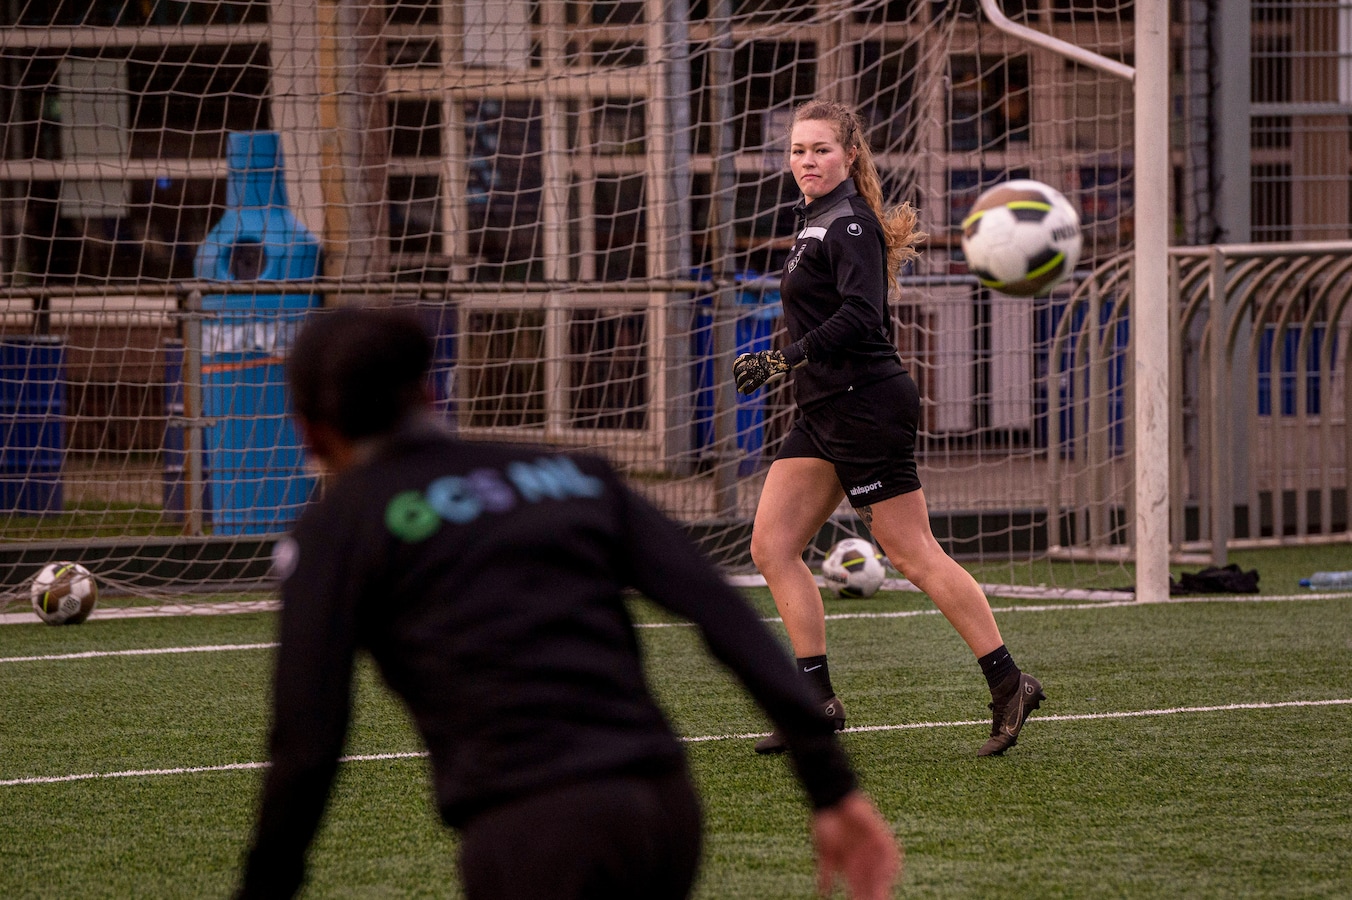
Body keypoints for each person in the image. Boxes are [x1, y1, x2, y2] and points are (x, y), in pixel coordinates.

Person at [235, 307, 901, 900]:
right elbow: (723, 614)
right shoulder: (573, 476)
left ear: (311, 433)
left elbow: (307, 741)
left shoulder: (335, 530)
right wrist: (832, 787)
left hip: (531, 832)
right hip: (664, 812)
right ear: (431, 393)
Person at [732, 99, 1045, 758]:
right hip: (825, 410)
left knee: (911, 552)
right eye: (797, 150)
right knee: (772, 546)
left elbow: (863, 316)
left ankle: (1009, 682)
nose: (807, 161)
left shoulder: (849, 225)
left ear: (848, 155)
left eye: (820, 149)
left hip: (866, 406)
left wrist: (781, 357)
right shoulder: (813, 220)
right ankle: (814, 701)